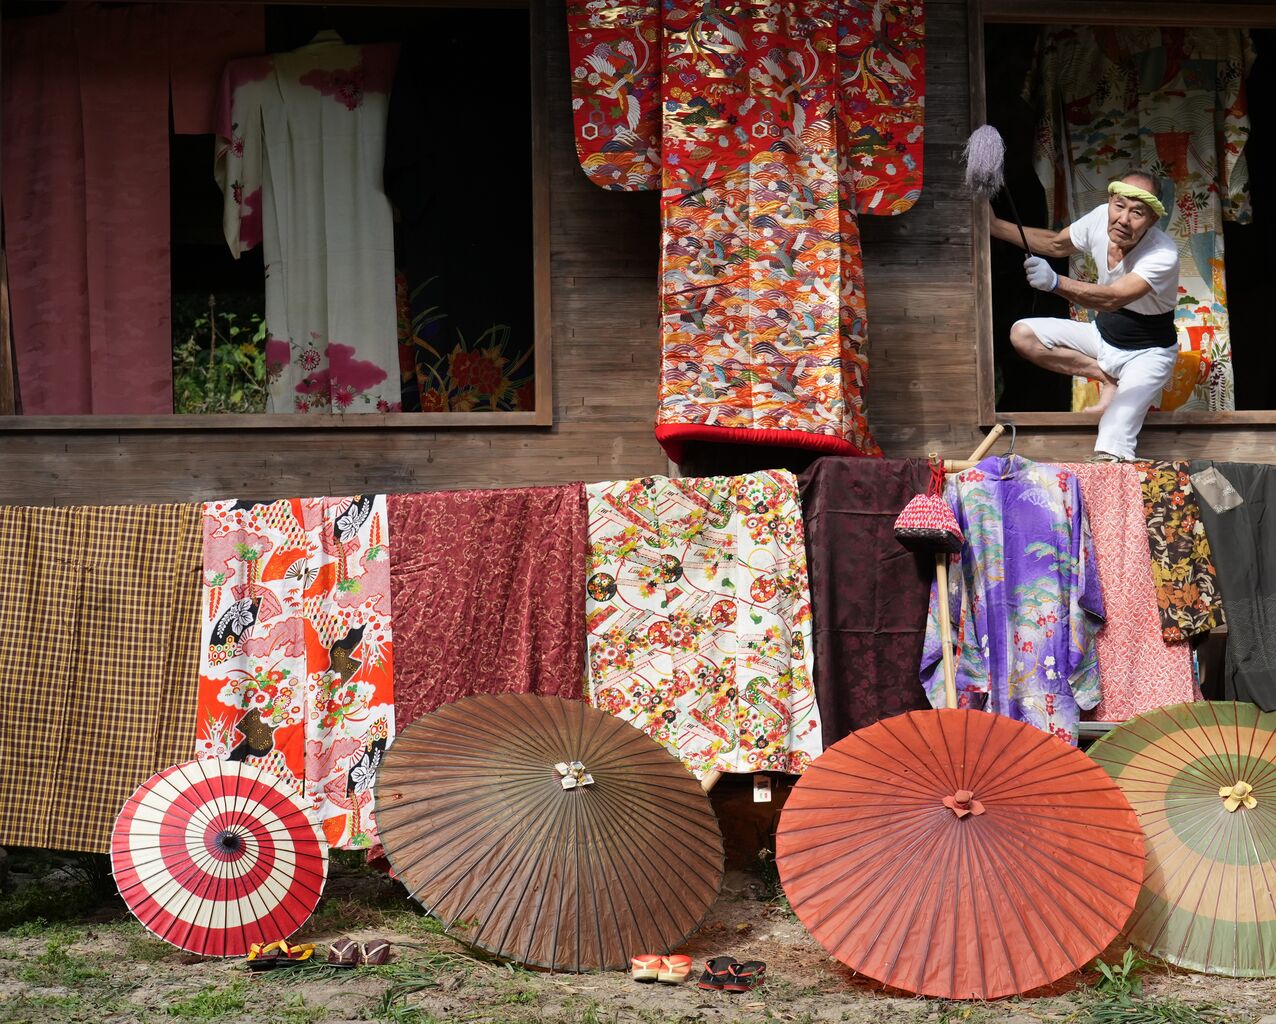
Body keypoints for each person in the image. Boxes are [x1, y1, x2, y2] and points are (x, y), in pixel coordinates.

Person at [991, 171, 1181, 461]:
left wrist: (1055, 282)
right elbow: (1055, 244)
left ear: (1153, 219)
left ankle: (1115, 499)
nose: (1123, 219)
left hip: (1147, 353)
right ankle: (1107, 378)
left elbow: (1112, 298)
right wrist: (993, 226)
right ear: (1110, 202)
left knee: (1113, 437)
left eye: (1137, 212)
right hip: (1103, 337)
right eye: (1119, 206)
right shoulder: (1098, 219)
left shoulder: (1162, 254)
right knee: (1023, 334)